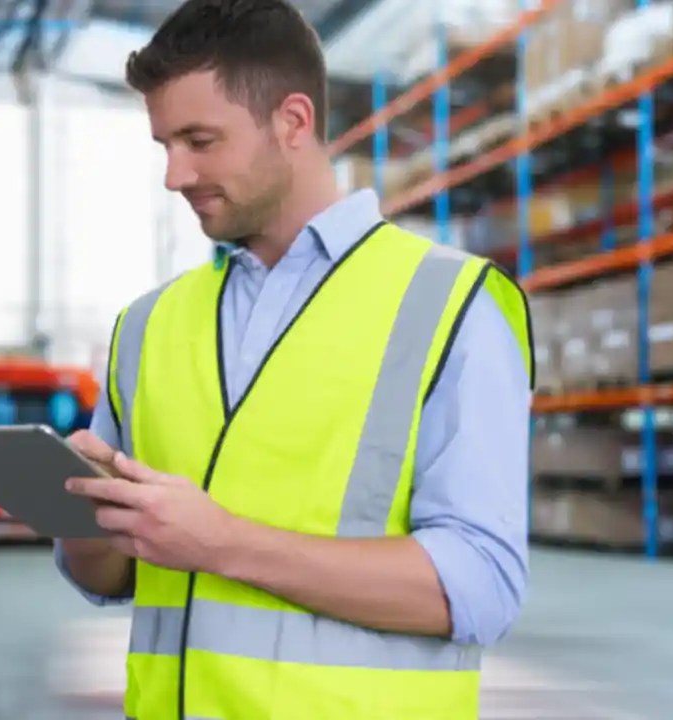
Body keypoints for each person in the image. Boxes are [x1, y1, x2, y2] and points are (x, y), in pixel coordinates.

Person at [53, 1, 534, 718]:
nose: (174, 174)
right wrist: (83, 517)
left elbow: (479, 585)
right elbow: (111, 574)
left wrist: (223, 544)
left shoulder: (455, 305)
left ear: (294, 122)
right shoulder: (147, 326)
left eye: (199, 140)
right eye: (164, 145)